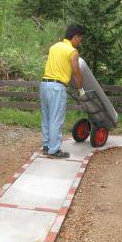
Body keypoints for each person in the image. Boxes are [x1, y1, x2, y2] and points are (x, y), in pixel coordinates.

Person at [40, 24, 85, 158]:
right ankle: (54, 151)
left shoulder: (54, 47)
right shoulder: (72, 52)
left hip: (44, 85)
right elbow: (76, 72)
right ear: (75, 36)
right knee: (56, 120)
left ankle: (47, 146)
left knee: (46, 118)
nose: (80, 42)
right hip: (56, 88)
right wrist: (80, 88)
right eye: (80, 39)